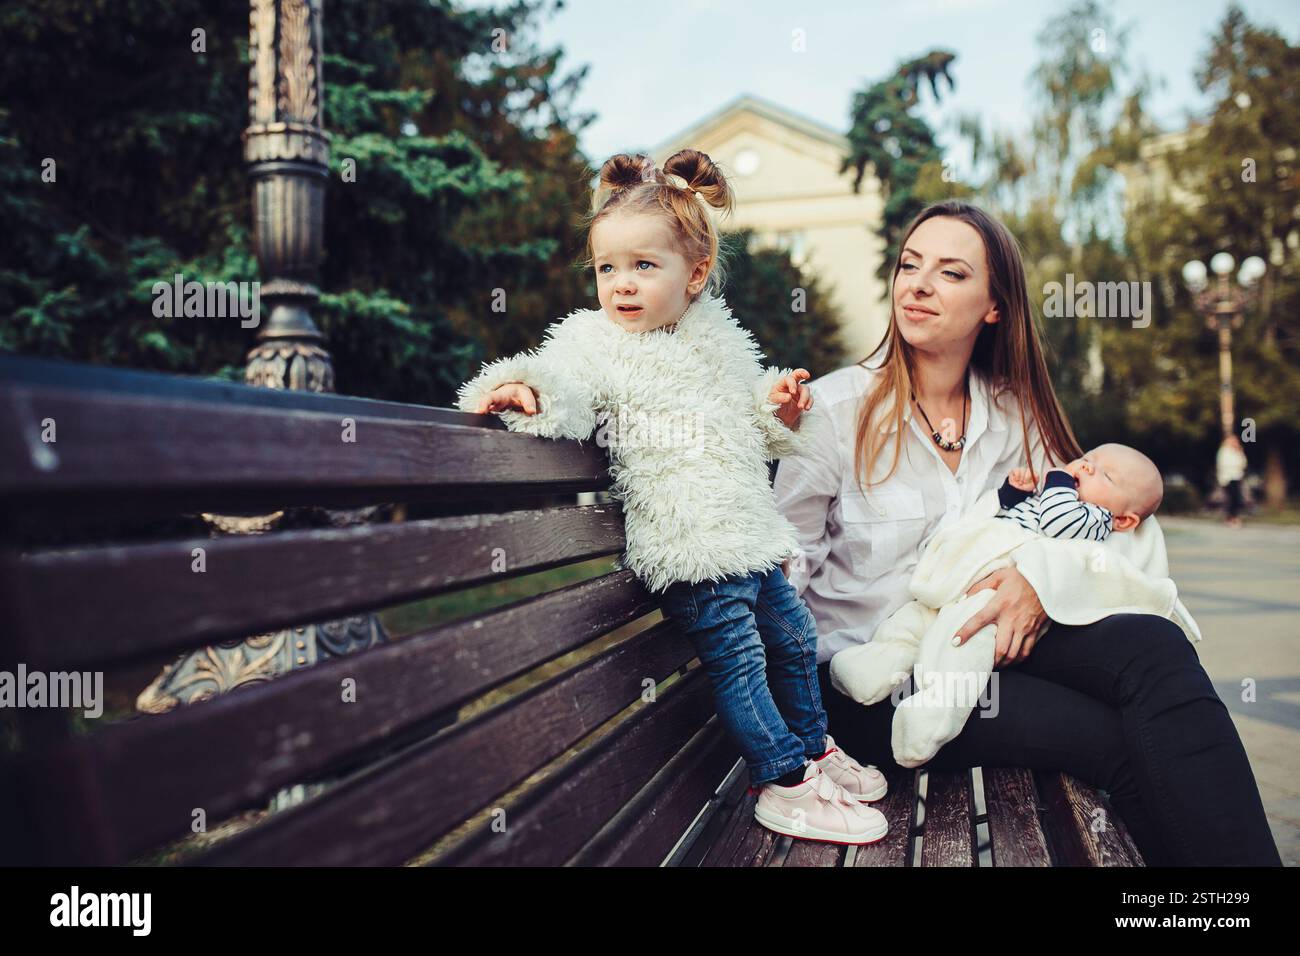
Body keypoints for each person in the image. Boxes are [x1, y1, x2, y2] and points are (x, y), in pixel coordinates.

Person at [774, 199, 1282, 865]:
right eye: (908, 265)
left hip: (988, 641)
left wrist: (1040, 583)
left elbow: (1094, 534)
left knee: (1154, 650)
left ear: (995, 307)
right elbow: (781, 579)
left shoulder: (1017, 414)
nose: (918, 284)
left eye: (951, 273)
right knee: (1111, 743)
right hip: (869, 682)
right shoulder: (835, 414)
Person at [457, 149, 887, 845]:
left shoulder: (717, 340)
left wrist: (777, 406)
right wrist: (525, 392)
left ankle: (813, 749)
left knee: (794, 636)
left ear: (695, 274)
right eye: (607, 269)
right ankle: (781, 781)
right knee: (742, 656)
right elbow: (560, 387)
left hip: (748, 535)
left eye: (643, 267)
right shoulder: (595, 344)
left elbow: (754, 429)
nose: (621, 286)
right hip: (686, 546)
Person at [1216, 434, 1248, 528]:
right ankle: (1230, 518)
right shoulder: (1224, 451)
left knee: (1237, 499)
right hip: (1227, 478)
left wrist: (1239, 452)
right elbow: (1224, 464)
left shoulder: (1238, 451)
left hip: (1237, 477)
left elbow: (1244, 463)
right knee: (1231, 498)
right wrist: (1236, 465)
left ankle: (1234, 517)